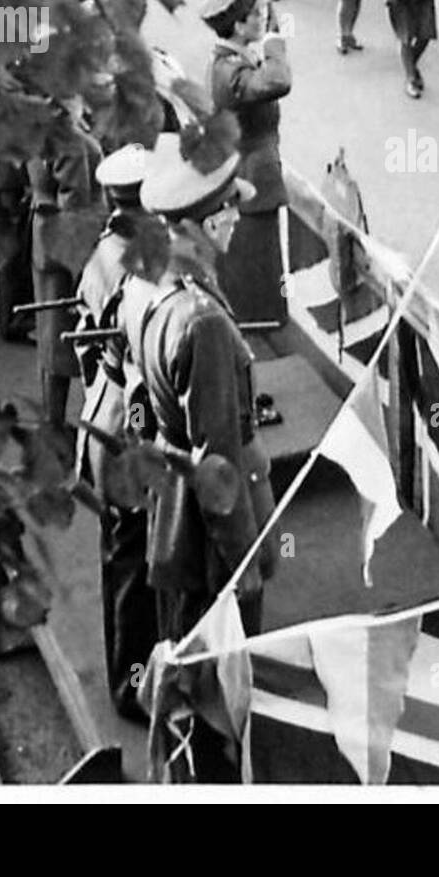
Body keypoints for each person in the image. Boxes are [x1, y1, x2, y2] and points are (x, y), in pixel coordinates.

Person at [123, 140, 272, 779]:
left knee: (189, 685)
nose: (237, 218)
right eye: (225, 214)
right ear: (196, 225)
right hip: (211, 545)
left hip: (173, 526)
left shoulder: (156, 289)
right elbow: (218, 468)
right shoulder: (203, 320)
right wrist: (244, 570)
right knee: (216, 706)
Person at [74, 143, 159, 722]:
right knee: (132, 558)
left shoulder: (103, 250)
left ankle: (135, 670)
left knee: (123, 553)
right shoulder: (137, 261)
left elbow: (84, 342)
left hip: (102, 407)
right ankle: (131, 685)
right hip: (127, 422)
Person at [203, 0, 291, 330]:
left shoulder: (234, 60)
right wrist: (274, 43)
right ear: (238, 25)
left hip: (253, 184)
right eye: (257, 14)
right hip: (250, 188)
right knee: (254, 287)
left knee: (260, 278)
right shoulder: (228, 72)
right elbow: (278, 82)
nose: (263, 18)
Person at [27, 98, 105, 433]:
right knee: (85, 336)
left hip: (44, 237)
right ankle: (96, 420)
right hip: (70, 247)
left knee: (50, 336)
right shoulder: (70, 139)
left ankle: (52, 421)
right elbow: (75, 207)